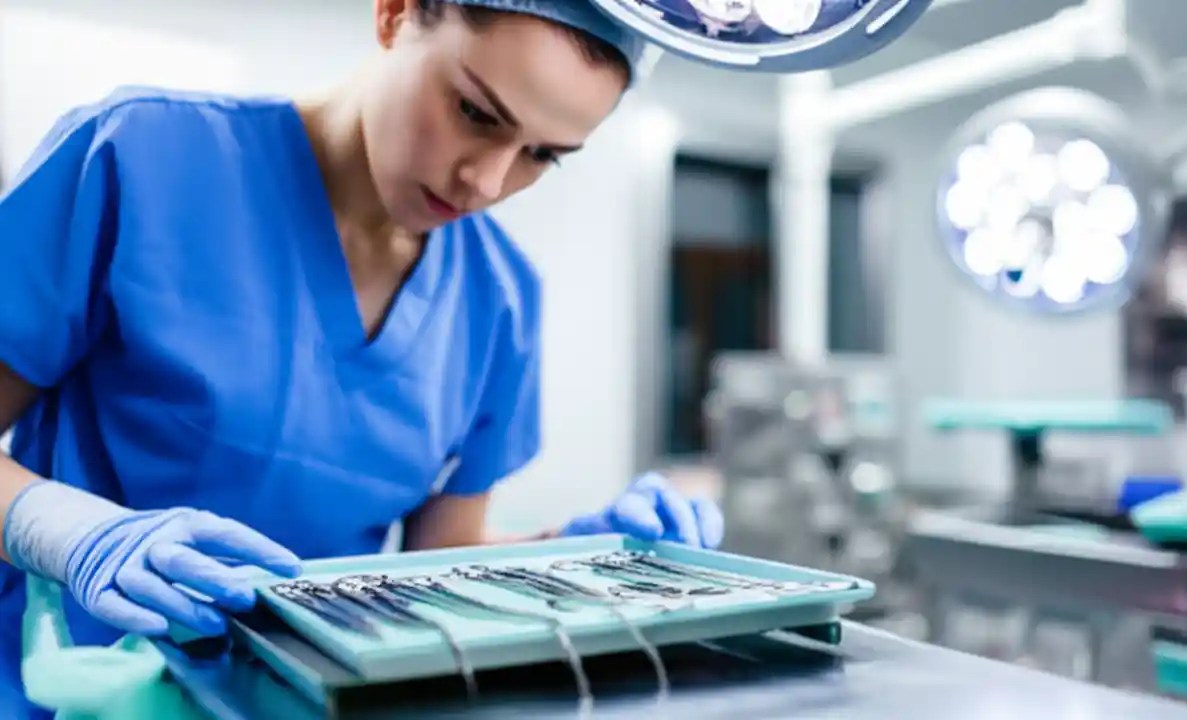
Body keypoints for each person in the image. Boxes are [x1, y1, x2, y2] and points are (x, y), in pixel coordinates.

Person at [0, 0, 723, 714]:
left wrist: (567, 559)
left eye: (543, 155)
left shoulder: (500, 299)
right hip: (68, 688)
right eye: (476, 113)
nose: (488, 182)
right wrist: (69, 535)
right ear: (394, 13)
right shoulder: (139, 157)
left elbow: (438, 560)